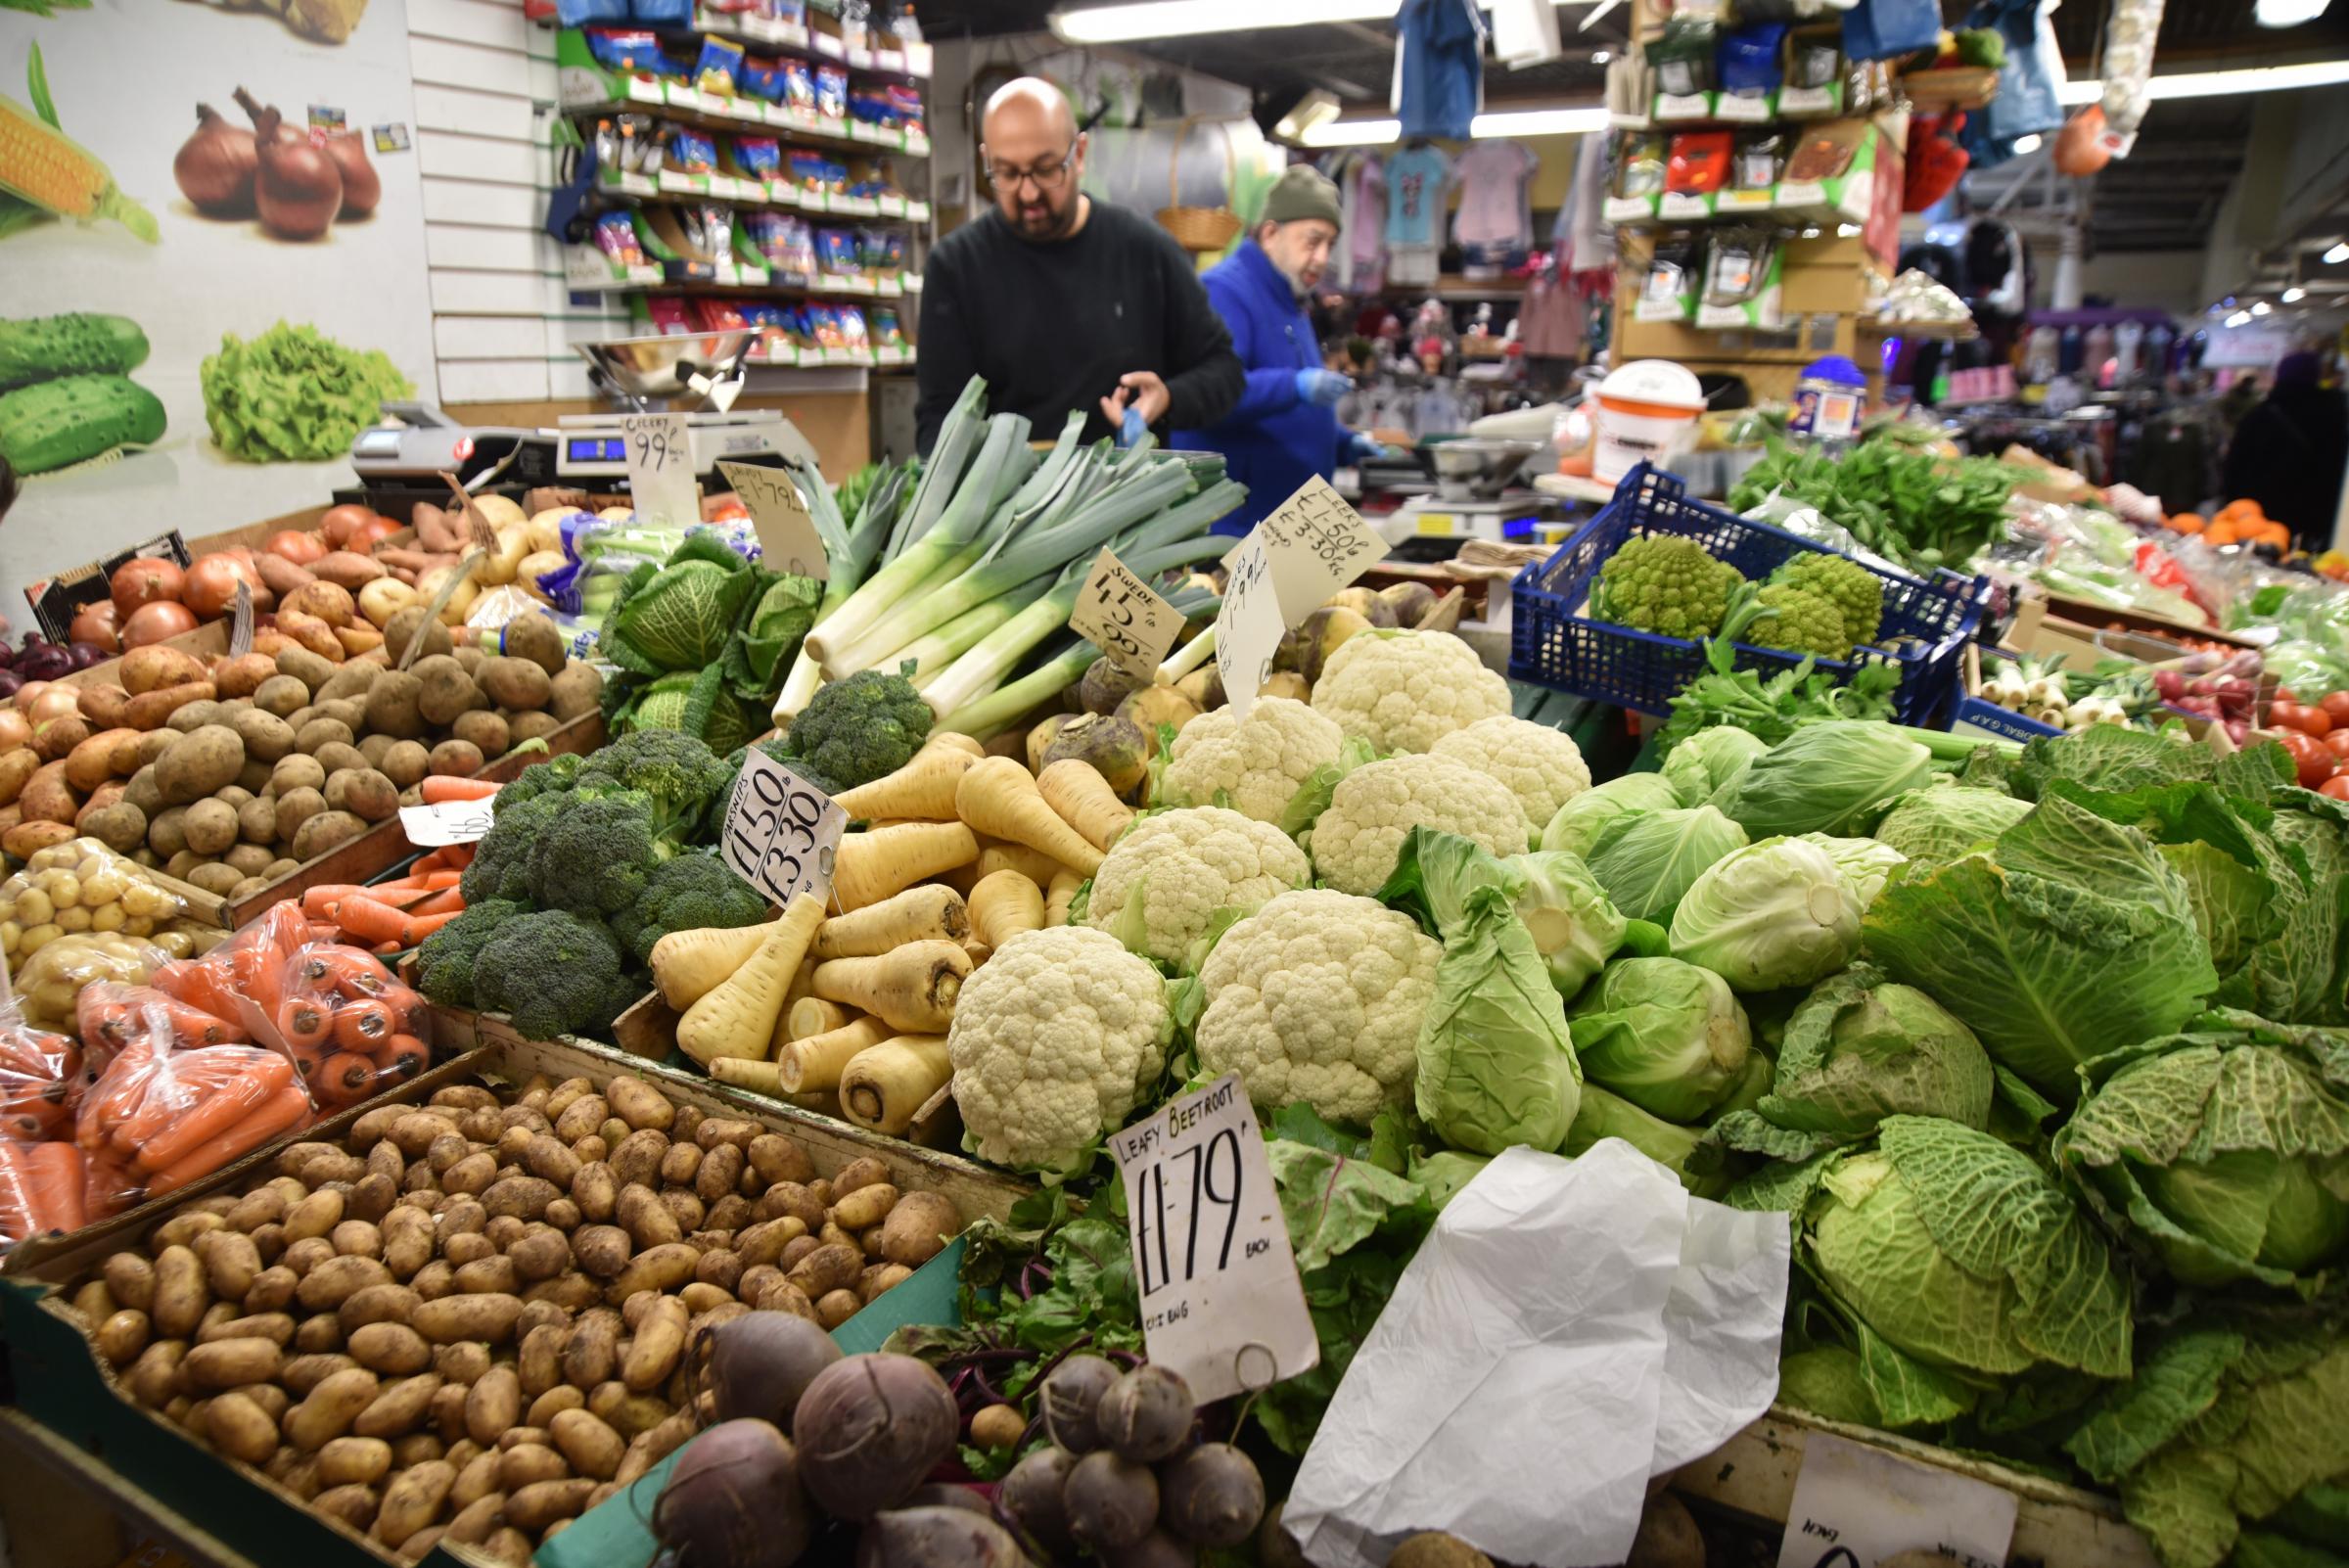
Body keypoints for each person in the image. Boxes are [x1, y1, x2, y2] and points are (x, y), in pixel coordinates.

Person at [913, 78, 1242, 452]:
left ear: (1080, 153)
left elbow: (1224, 371)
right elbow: (939, 416)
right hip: (1008, 506)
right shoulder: (956, 267)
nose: (1029, 192)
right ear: (987, 160)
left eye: (1046, 168)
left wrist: (1168, 398)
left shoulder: (1146, 251)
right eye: (1006, 173)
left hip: (1126, 502)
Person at [1173, 166, 1395, 535]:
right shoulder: (1224, 292)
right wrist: (1296, 386)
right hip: (1235, 530)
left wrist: (1343, 441)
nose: (1323, 258)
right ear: (1271, 233)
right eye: (1313, 241)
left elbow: (1289, 415)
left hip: (1288, 530)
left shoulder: (1292, 302)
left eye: (1330, 244)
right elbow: (1209, 396)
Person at [2222, 352, 2349, 550]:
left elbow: (2234, 469)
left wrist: (2234, 511)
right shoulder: (2336, 416)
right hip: (2314, 517)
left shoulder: (2259, 417)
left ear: (2279, 377)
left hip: (2260, 517)